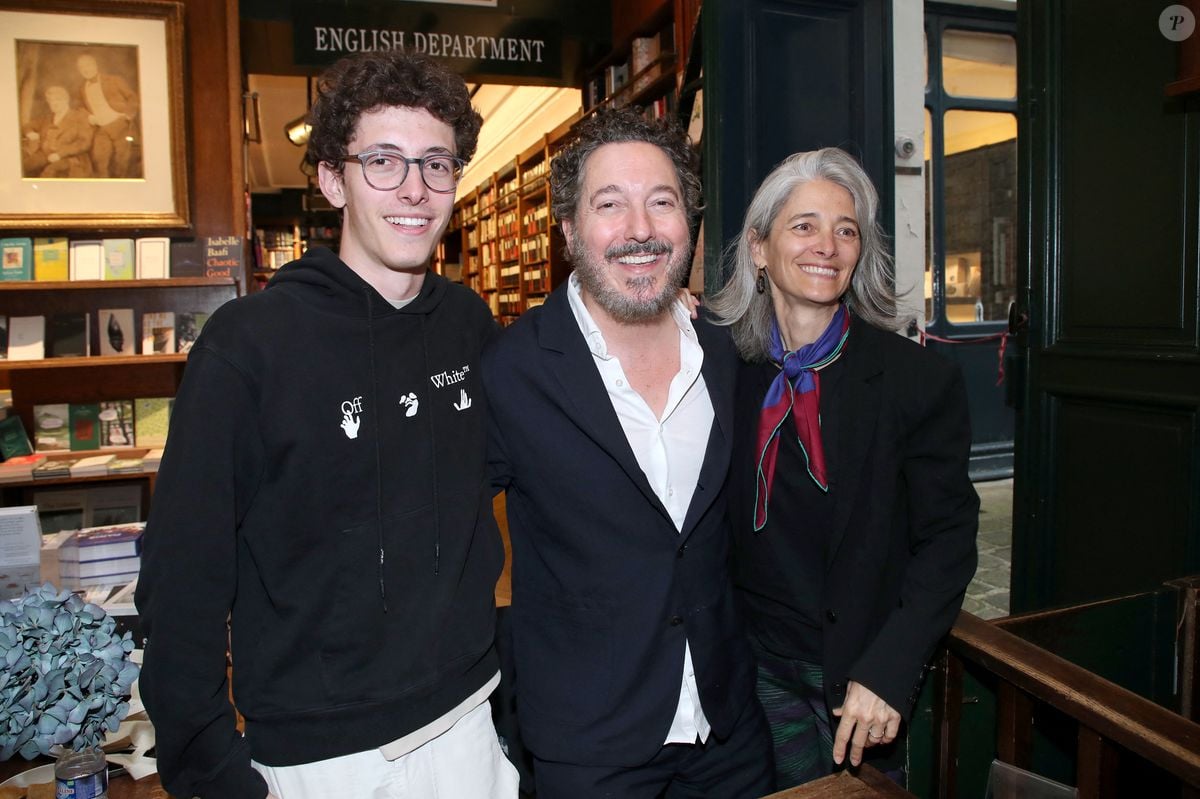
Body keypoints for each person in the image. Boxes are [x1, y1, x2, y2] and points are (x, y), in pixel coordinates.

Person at [135, 51, 517, 799]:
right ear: (332, 180)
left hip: (474, 726)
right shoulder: (248, 346)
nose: (414, 188)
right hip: (325, 762)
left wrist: (653, 321)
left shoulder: (470, 327)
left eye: (435, 164)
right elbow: (182, 579)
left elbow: (557, 433)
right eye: (383, 161)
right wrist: (210, 771)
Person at [482, 107, 773, 798]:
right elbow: (443, 542)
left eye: (661, 202)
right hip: (590, 748)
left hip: (729, 733)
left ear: (689, 225)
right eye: (609, 205)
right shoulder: (512, 369)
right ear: (567, 231)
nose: (639, 229)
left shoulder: (729, 352)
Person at [707, 147, 979, 788]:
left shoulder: (917, 381)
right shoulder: (718, 368)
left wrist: (890, 668)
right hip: (750, 667)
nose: (826, 245)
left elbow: (947, 540)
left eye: (846, 229)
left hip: (856, 682)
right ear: (757, 247)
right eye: (803, 225)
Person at [75, 53, 139, 178]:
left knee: (121, 160)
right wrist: (89, 116)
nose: (85, 69)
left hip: (120, 124)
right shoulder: (82, 88)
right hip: (101, 128)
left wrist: (127, 116)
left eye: (88, 65)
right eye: (81, 68)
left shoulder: (114, 80)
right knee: (99, 160)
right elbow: (80, 107)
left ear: (95, 65)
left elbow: (132, 98)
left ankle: (121, 189)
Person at [22, 85, 93, 178]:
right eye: (51, 101)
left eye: (57, 100)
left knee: (49, 172)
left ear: (66, 101)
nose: (53, 103)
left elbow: (84, 143)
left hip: (71, 158)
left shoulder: (79, 117)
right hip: (44, 154)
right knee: (24, 167)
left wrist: (60, 154)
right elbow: (28, 126)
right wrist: (30, 133)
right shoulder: (47, 118)